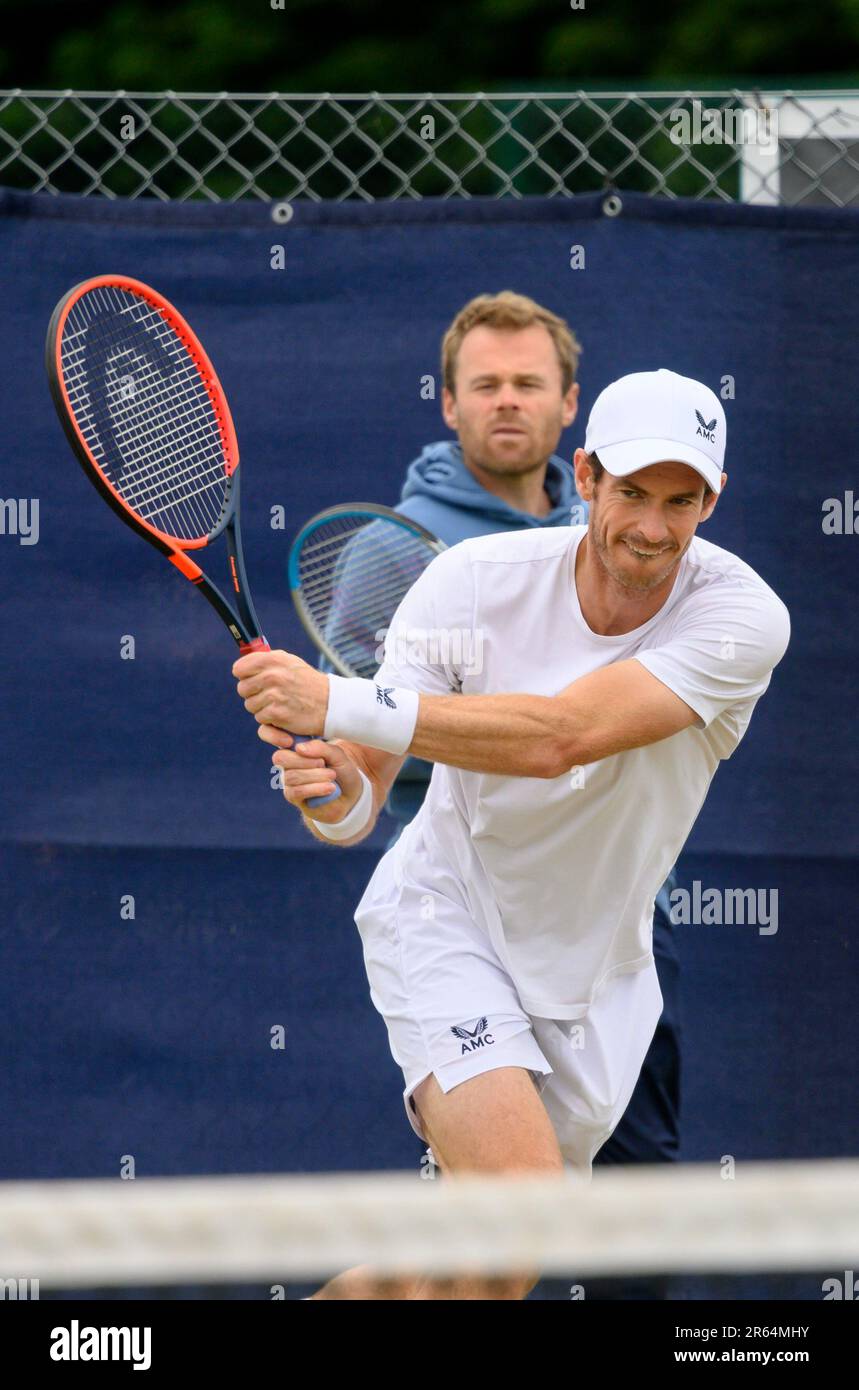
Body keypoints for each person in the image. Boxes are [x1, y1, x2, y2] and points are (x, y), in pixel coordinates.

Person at [234, 366, 790, 1300]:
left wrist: (335, 700)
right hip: (445, 916)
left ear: (712, 498)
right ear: (585, 476)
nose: (652, 527)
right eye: (631, 494)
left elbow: (560, 737)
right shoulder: (467, 586)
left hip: (598, 974)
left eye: (680, 500)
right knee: (515, 1218)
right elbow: (360, 802)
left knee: (483, 1270)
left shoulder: (741, 619)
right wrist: (328, 789)